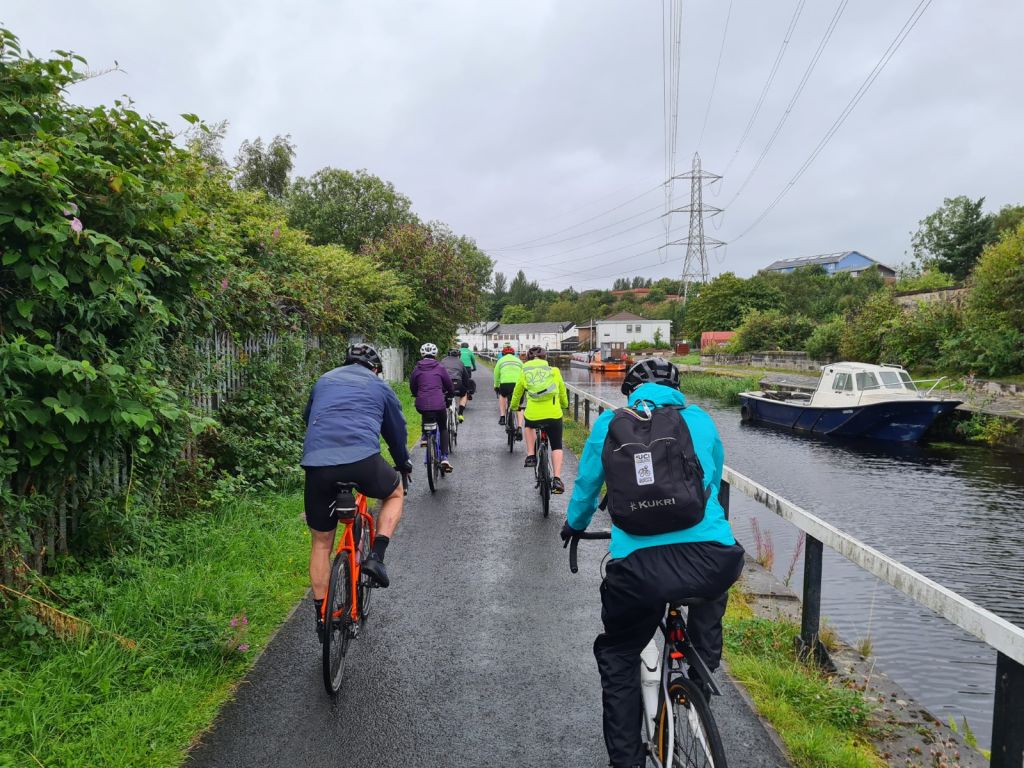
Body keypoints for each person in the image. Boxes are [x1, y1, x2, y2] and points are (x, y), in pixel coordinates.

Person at [560, 358, 745, 768]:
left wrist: (574, 526)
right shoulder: (701, 421)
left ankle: (626, 761)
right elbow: (709, 482)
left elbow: (589, 486)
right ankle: (698, 677)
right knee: (711, 590)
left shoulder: (610, 424)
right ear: (678, 389)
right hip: (711, 556)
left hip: (638, 568)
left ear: (631, 391)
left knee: (621, 654)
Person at [301, 343, 412, 642]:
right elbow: (397, 432)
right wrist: (402, 463)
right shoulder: (379, 385)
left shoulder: (324, 379)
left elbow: (307, 417)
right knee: (394, 493)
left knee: (321, 544)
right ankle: (376, 556)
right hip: (362, 461)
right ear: (376, 368)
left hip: (318, 464)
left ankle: (322, 616)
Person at [510, 346, 568, 494]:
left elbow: (517, 392)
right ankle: (556, 478)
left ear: (528, 359)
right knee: (556, 445)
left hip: (533, 414)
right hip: (554, 414)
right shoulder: (554, 371)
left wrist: (514, 406)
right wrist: (564, 405)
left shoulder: (524, 371)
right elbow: (562, 391)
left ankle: (530, 456)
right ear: (545, 358)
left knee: (528, 426)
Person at [410, 342, 455, 473]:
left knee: (425, 411)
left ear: (422, 354)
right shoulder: (440, 367)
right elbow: (448, 384)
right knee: (443, 427)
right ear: (435, 354)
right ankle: (445, 457)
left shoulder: (417, 369)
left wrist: (415, 393)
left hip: (421, 404)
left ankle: (425, 436)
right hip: (438, 403)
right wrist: (450, 394)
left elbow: (413, 385)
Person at [492, 344, 524, 437]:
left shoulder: (500, 360)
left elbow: (496, 375)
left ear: (503, 354)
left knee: (502, 395)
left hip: (505, 384)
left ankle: (502, 417)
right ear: (514, 354)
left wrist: (497, 386)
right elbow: (523, 374)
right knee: (519, 406)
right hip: (518, 385)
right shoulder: (519, 361)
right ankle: (519, 427)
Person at [441, 348, 471, 421]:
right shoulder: (460, 362)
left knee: (442, 394)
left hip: (445, 383)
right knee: (464, 395)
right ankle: (460, 414)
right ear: (459, 356)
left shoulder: (443, 361)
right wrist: (466, 388)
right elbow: (466, 377)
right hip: (457, 382)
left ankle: (443, 413)